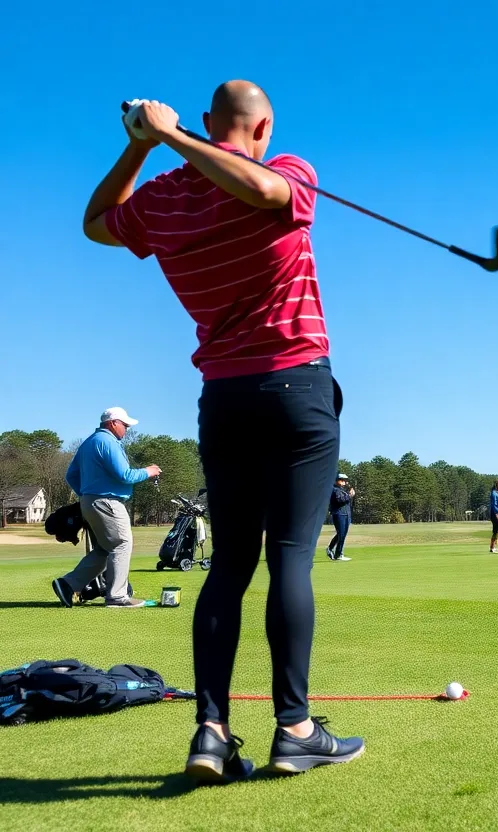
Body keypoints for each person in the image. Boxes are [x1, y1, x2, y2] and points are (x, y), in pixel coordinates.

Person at [83, 82, 362, 782]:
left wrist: (140, 146)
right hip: (296, 387)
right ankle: (294, 728)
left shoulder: (166, 199)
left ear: (210, 122)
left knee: (230, 566)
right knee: (290, 557)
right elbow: (267, 193)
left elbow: (97, 221)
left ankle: (210, 733)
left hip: (224, 399)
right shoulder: (289, 166)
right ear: (263, 124)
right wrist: (159, 142)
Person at [51, 407, 160, 609]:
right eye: (124, 425)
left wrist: (86, 494)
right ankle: (117, 597)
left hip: (90, 502)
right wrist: (149, 471)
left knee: (104, 549)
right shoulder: (107, 442)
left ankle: (67, 584)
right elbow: (125, 475)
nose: (126, 429)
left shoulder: (89, 442)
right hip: (108, 502)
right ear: (113, 423)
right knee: (121, 544)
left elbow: (71, 476)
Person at [326, 474, 354, 562]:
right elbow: (340, 500)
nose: (345, 482)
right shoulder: (335, 490)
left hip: (345, 514)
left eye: (345, 480)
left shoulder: (342, 490)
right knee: (341, 534)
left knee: (342, 534)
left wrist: (349, 495)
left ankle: (331, 549)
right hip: (339, 514)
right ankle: (338, 554)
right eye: (342, 480)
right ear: (337, 480)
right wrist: (349, 495)